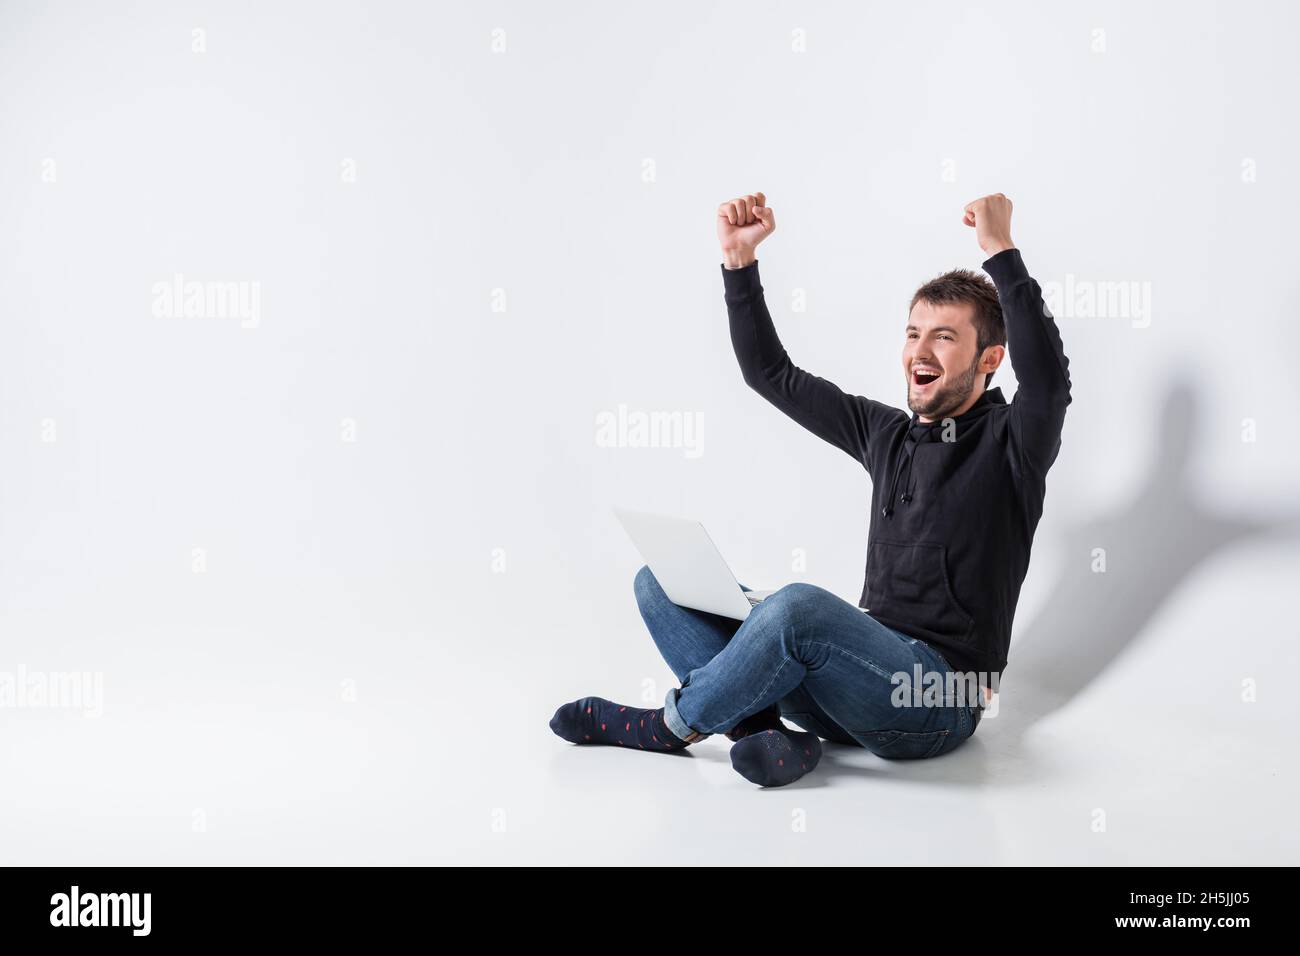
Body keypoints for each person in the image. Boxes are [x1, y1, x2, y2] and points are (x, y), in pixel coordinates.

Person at [551, 191, 1072, 788]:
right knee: (661, 583)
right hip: (852, 679)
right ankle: (763, 736)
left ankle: (669, 727)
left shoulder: (1014, 443)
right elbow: (770, 375)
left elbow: (1049, 384)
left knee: (796, 608)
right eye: (912, 333)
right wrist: (739, 264)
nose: (919, 352)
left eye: (944, 338)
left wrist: (1000, 251)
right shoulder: (887, 435)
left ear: (989, 360)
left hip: (934, 697)